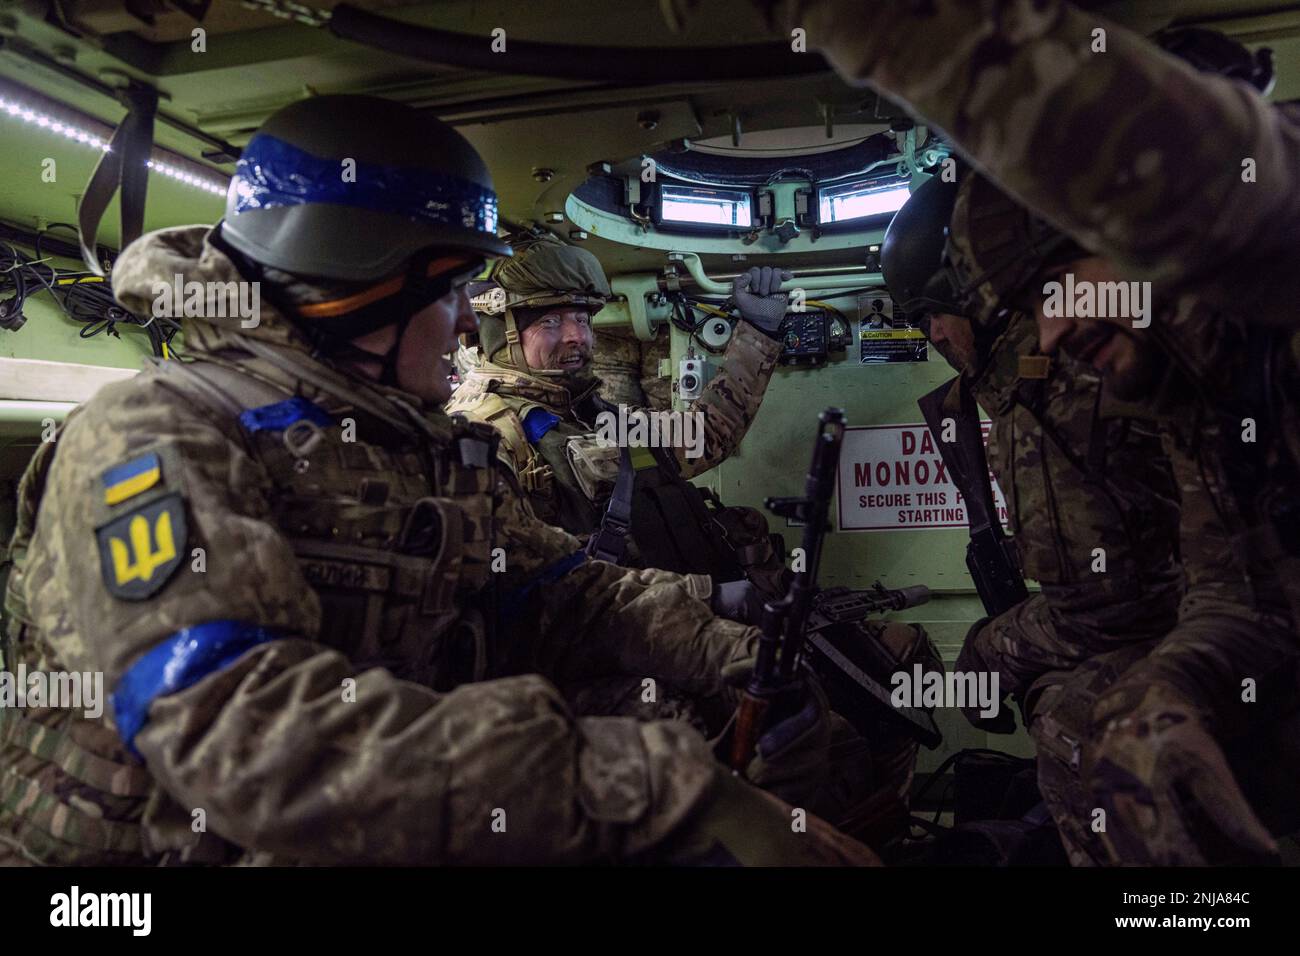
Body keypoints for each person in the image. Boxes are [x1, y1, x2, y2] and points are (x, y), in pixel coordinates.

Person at [0, 94, 876, 867]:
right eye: (452, 289)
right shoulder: (155, 436)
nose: (465, 324)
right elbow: (251, 739)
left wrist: (732, 646)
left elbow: (563, 592)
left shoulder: (415, 445)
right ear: (361, 288)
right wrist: (644, 785)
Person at [789, 4, 1300, 861]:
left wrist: (1006, 647)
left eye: (1056, 289)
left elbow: (1120, 601)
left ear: (1152, 230)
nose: (1052, 339)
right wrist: (1173, 692)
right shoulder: (1196, 390)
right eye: (1025, 315)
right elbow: (1238, 596)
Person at [883, 171, 1184, 864]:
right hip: (1179, 621)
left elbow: (1109, 607)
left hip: (1193, 627)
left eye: (932, 312)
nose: (927, 334)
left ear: (978, 297)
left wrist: (992, 651)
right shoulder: (1001, 390)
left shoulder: (1058, 384)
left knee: (1070, 727)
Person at [448, 235, 790, 593]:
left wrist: (758, 330)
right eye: (550, 321)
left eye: (582, 319)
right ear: (499, 332)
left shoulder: (588, 412)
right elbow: (505, 584)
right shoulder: (480, 433)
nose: (575, 336)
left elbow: (703, 435)